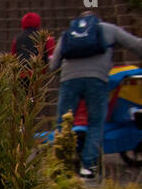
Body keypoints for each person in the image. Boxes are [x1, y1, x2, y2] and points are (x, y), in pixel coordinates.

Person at [49, 12, 142, 180]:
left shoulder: (69, 33)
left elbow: (54, 64)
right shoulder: (108, 29)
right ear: (97, 19)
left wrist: (67, 74)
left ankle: (61, 165)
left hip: (69, 80)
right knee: (95, 123)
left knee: (63, 122)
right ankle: (88, 167)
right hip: (96, 80)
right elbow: (136, 45)